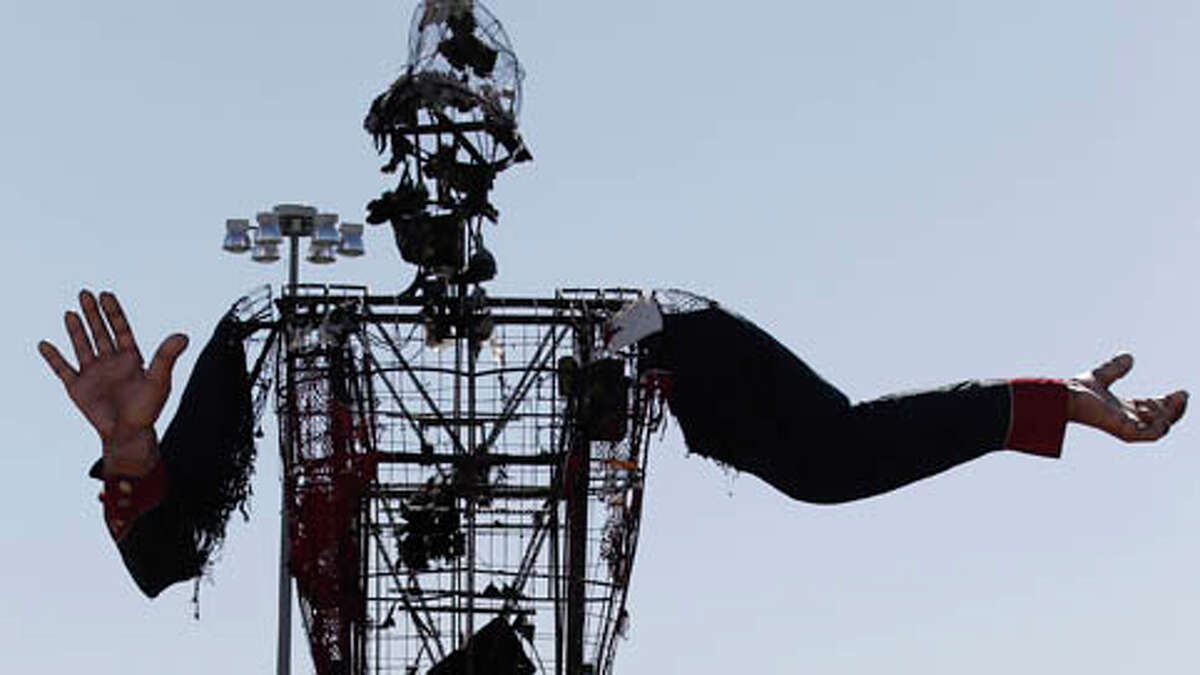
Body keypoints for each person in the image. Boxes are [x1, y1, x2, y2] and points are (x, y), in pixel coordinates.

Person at [38, 289, 1189, 595]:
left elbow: (835, 456)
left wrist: (1049, 399)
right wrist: (137, 461)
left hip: (656, 340)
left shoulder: (650, 326)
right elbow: (161, 560)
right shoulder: (287, 325)